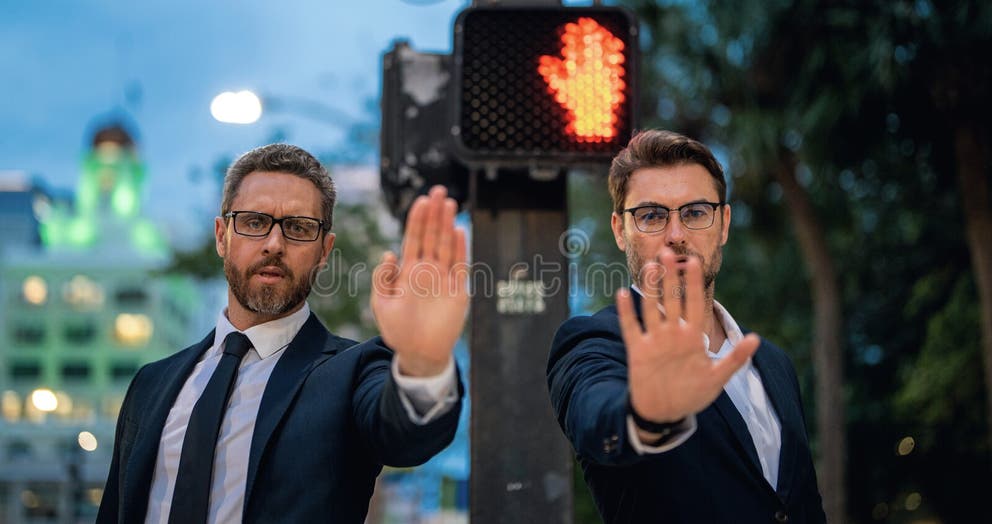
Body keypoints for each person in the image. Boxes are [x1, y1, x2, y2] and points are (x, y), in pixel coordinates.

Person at [97, 144, 468, 523]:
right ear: (222, 236)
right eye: (255, 222)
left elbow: (405, 436)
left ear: (324, 250)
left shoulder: (353, 372)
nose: (275, 244)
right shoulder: (150, 384)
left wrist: (424, 361)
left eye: (298, 228)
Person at [547, 129, 826, 523]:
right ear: (619, 231)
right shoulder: (594, 342)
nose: (676, 235)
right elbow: (594, 414)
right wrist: (646, 413)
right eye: (651, 216)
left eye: (695, 212)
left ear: (724, 224)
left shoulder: (774, 363)